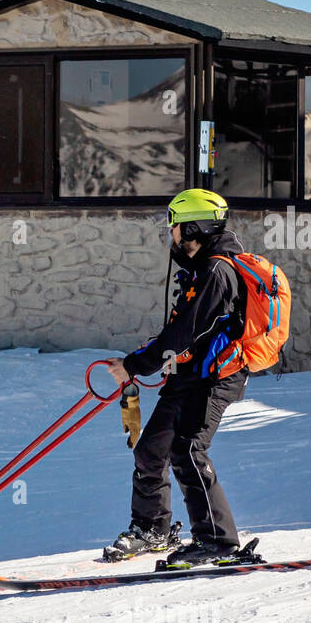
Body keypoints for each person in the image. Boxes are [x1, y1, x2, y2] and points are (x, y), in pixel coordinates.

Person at [102, 189, 248, 567]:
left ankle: (217, 540)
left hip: (215, 379)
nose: (172, 236)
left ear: (194, 227)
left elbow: (185, 331)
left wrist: (135, 366)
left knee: (187, 450)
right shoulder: (202, 270)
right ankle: (152, 529)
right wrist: (145, 359)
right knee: (151, 449)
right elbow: (184, 334)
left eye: (176, 228)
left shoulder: (218, 271)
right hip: (188, 375)